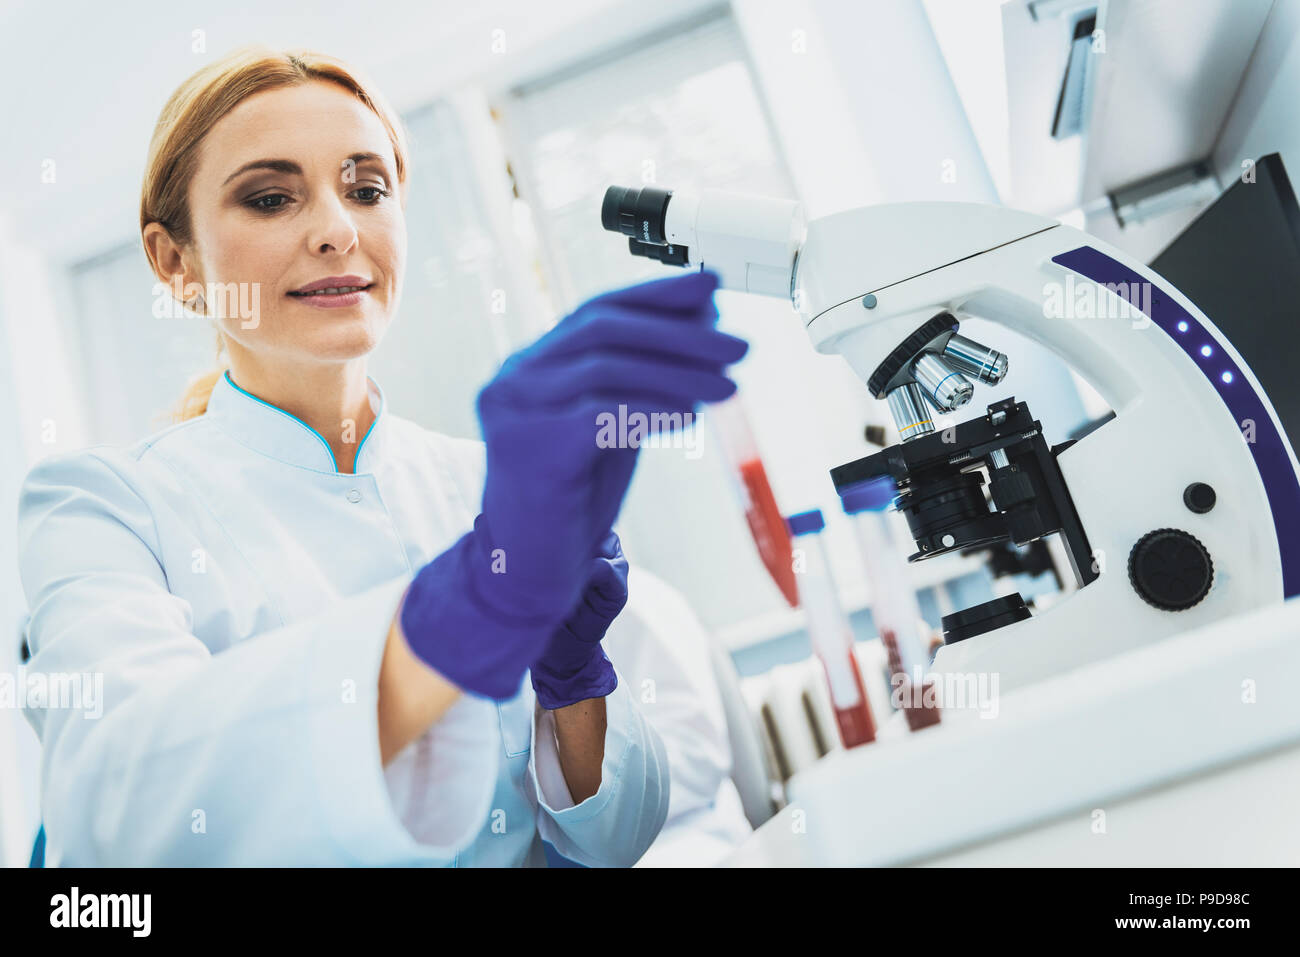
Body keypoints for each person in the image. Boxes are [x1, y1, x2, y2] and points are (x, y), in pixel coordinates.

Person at [16, 45, 748, 866]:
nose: (337, 230)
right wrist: (462, 616)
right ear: (175, 263)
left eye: (367, 189)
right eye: (269, 197)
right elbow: (116, 804)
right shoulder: (103, 503)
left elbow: (616, 839)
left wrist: (572, 675)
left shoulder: (486, 485)